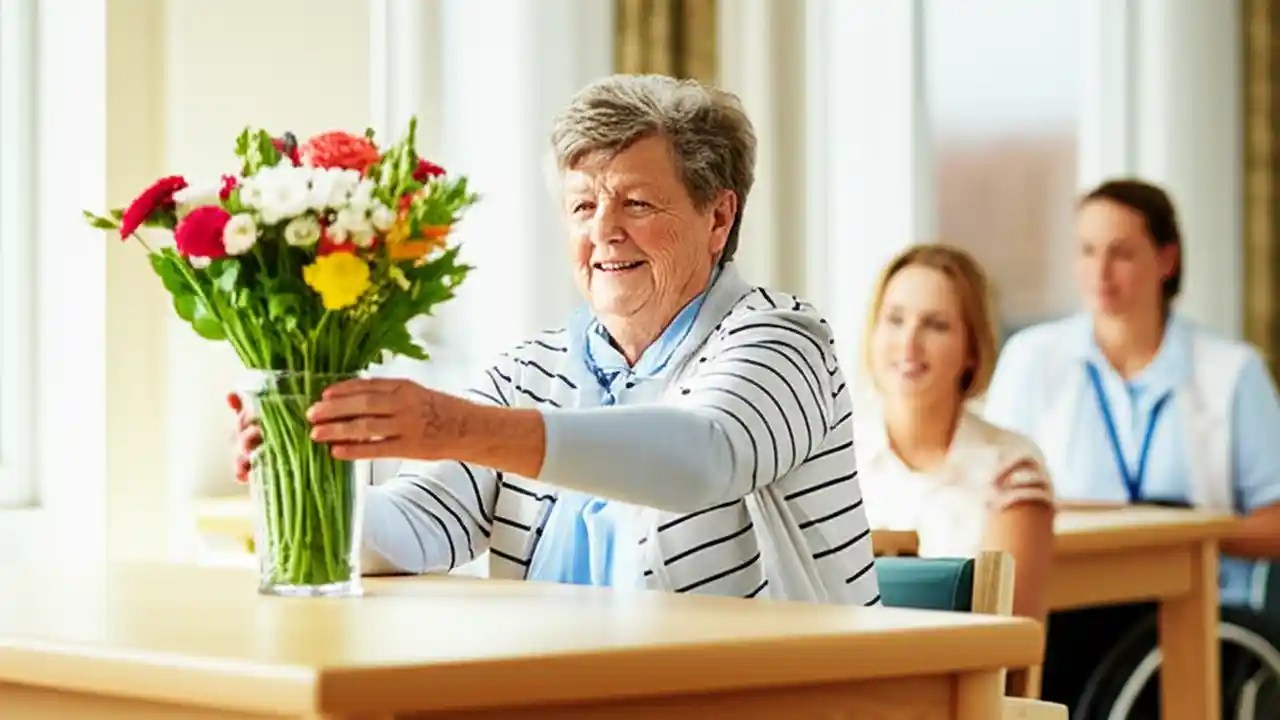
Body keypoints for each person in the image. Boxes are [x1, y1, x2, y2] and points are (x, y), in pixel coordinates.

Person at [231, 74, 880, 605]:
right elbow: (407, 534)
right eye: (581, 207)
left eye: (637, 204)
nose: (603, 231)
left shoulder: (783, 340)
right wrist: (293, 459)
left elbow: (704, 458)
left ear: (718, 217)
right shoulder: (529, 371)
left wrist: (450, 424)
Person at [984, 178, 1280, 709]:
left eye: (1120, 253)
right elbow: (990, 494)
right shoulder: (1032, 360)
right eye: (1087, 250)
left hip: (1192, 611)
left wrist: (1184, 528)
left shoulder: (1233, 372)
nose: (1099, 272)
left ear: (1166, 260)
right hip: (1065, 598)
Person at [855, 244, 1054, 626]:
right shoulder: (829, 455)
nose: (909, 343)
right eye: (895, 320)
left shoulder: (1011, 469)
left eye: (936, 325)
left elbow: (1006, 638)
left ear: (972, 349)